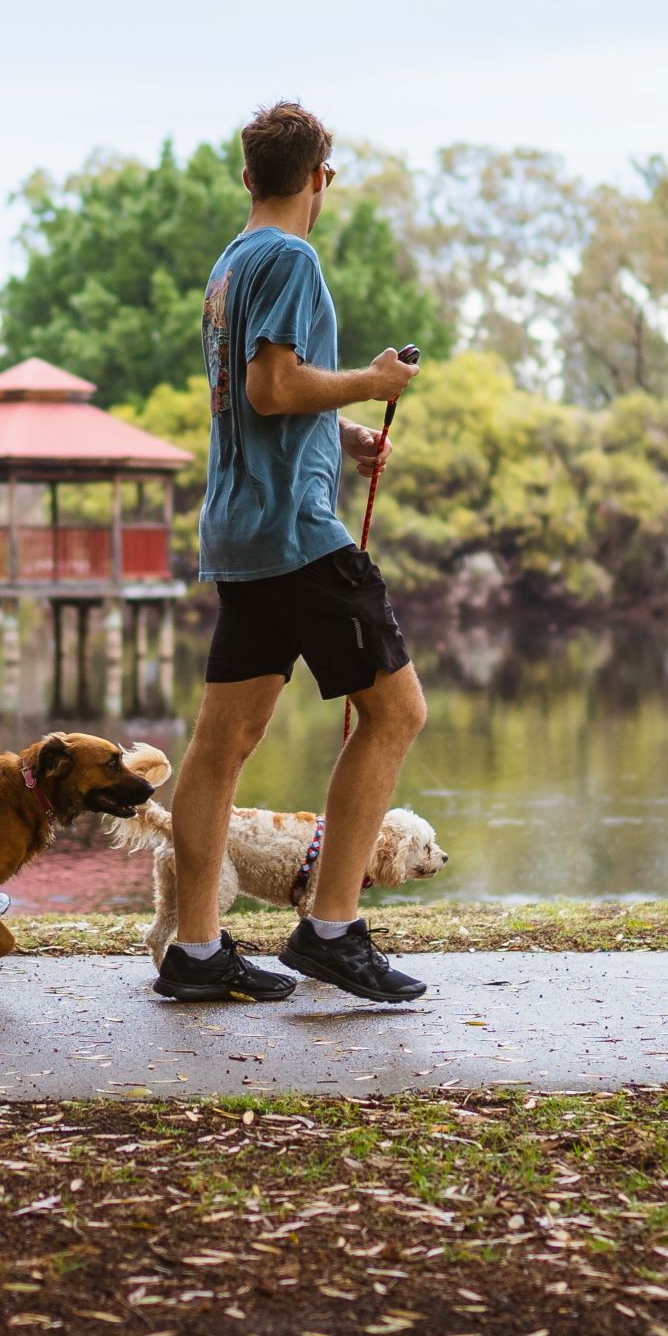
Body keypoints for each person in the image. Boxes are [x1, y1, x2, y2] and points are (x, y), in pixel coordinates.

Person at [156, 101, 430, 1005]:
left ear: (248, 177)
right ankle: (332, 929)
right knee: (396, 714)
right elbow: (272, 387)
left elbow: (253, 397)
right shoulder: (293, 259)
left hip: (239, 529)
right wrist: (374, 380)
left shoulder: (228, 267)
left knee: (221, 745)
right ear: (321, 178)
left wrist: (341, 433)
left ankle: (196, 949)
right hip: (296, 533)